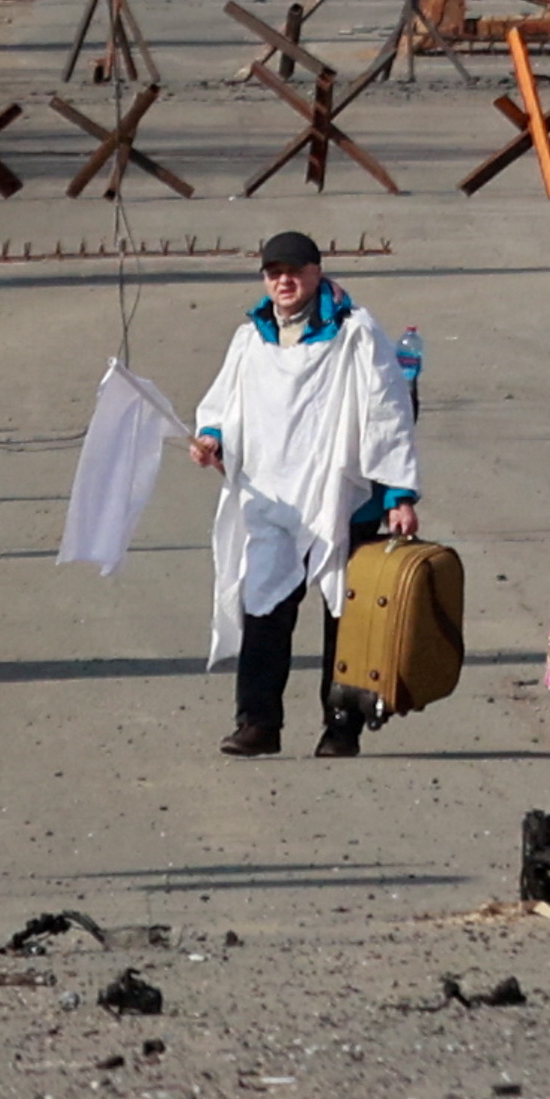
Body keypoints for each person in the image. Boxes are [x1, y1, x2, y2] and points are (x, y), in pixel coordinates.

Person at [189, 227, 417, 758]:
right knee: (265, 607)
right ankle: (257, 723)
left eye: (294, 271)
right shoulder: (251, 336)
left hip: (342, 494)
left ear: (317, 272)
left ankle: (341, 728)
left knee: (346, 614)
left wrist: (398, 494)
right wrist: (211, 438)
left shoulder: (356, 332)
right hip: (271, 497)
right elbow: (223, 402)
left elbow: (388, 413)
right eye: (274, 273)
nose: (284, 281)